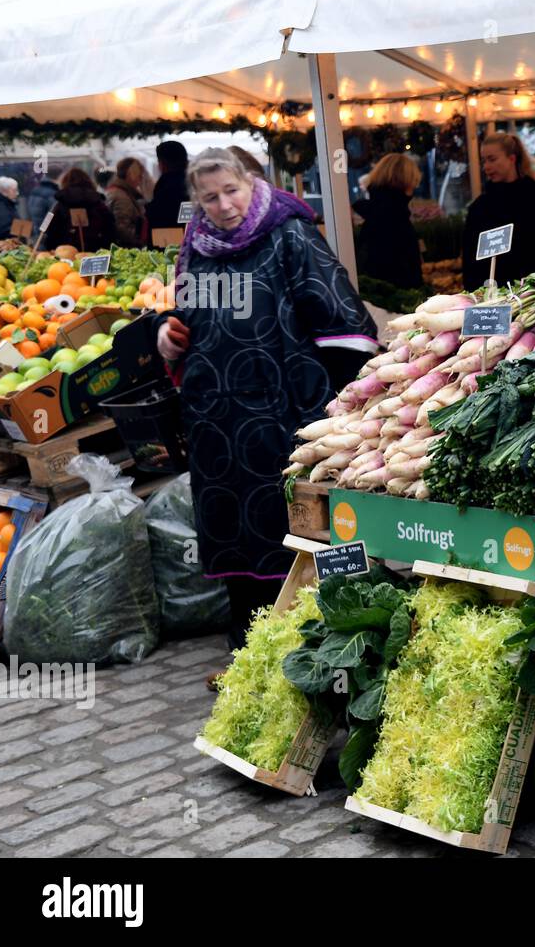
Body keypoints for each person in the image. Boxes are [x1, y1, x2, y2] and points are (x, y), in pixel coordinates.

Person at [154, 148, 377, 652]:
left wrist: (343, 407)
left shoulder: (289, 232)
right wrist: (167, 337)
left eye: (231, 190)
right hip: (216, 415)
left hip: (283, 411)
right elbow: (186, 319)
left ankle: (310, 637)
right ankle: (249, 644)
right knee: (231, 522)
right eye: (210, 197)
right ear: (197, 201)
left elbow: (340, 314)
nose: (224, 204)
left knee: (289, 519)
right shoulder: (196, 244)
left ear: (250, 181)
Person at [461, 132, 535, 290]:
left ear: (512, 158)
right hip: (493, 301)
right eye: (484, 161)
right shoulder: (480, 207)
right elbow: (470, 260)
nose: (486, 167)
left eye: (492, 159)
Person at [353, 153, 424, 289]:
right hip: (394, 300)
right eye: (413, 182)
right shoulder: (394, 217)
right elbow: (403, 270)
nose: (414, 187)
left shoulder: (374, 212)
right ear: (405, 182)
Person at [41, 168, 115, 251]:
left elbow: (49, 230)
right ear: (88, 181)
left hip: (65, 253)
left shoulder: (58, 205)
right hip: (97, 253)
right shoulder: (99, 203)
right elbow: (111, 228)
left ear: (64, 183)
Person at [106, 158, 149, 247]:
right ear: (131, 175)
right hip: (127, 248)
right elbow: (123, 229)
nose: (140, 179)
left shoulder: (116, 191)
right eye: (139, 175)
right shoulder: (122, 197)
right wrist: (140, 244)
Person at [147, 139, 189, 230]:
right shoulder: (192, 182)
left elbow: (161, 220)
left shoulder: (167, 187)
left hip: (169, 239)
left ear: (163, 163)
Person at [26, 167, 60, 236]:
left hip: (36, 233)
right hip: (46, 235)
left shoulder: (35, 190)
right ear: (59, 177)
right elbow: (51, 215)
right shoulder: (52, 194)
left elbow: (29, 213)